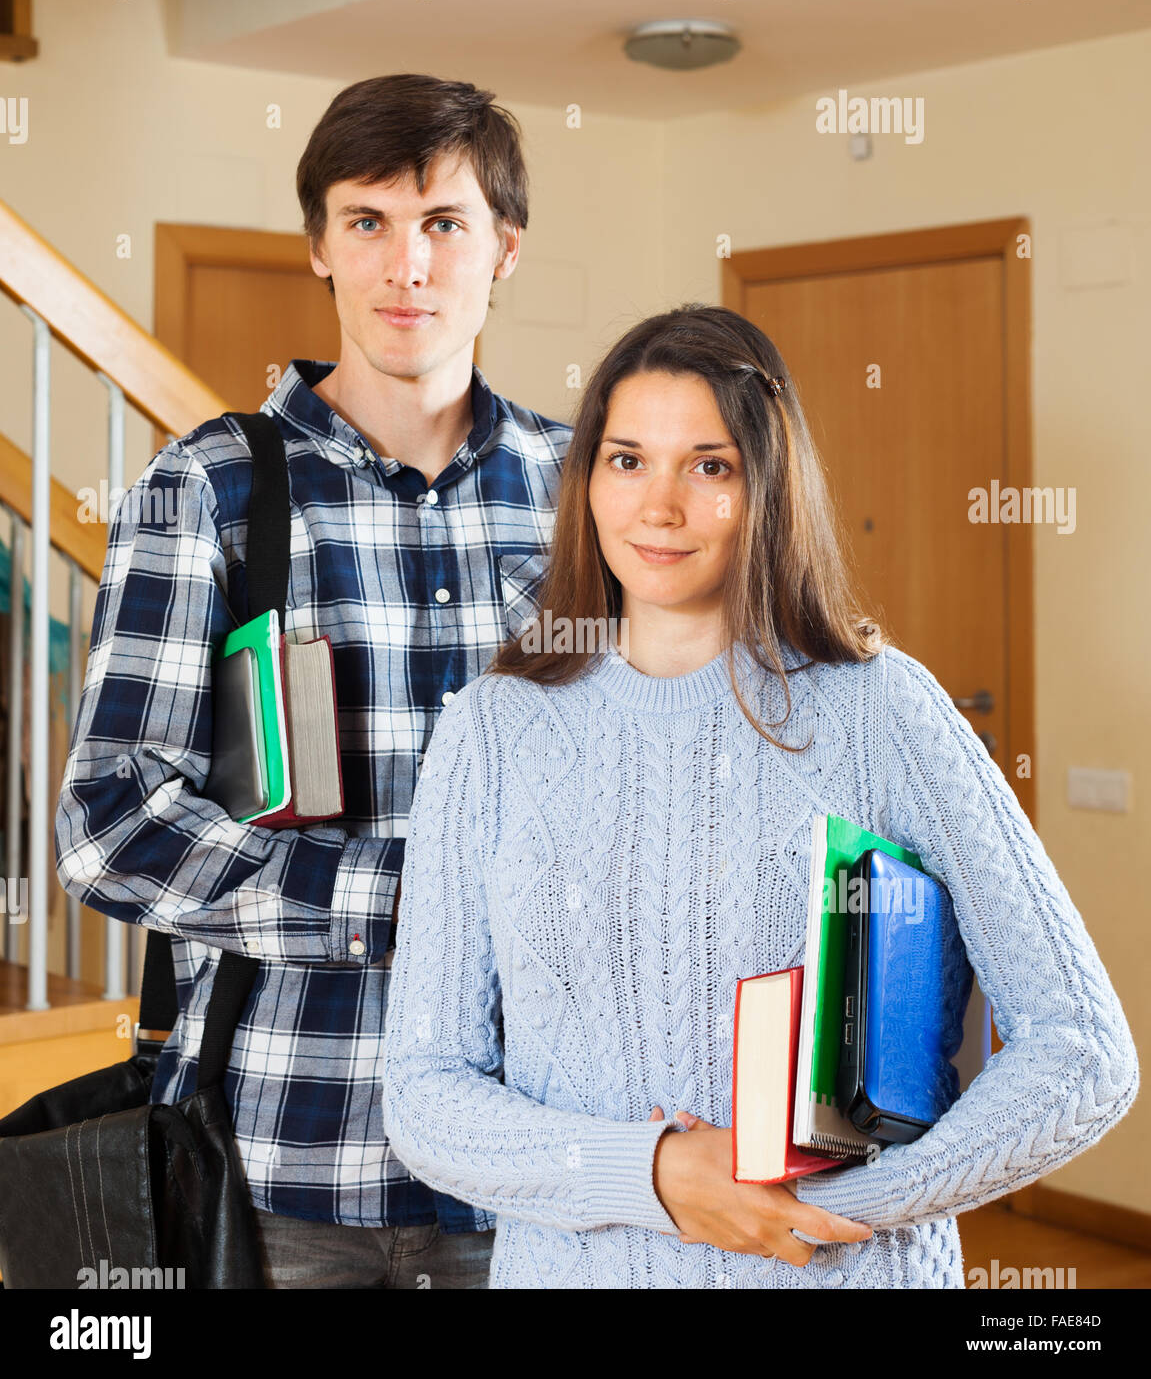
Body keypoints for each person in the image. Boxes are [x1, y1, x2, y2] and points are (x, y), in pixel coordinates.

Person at [380, 302, 1140, 1289]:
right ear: (584, 480)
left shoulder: (877, 708)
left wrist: (814, 1210)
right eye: (624, 460)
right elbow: (426, 1097)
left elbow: (1080, 1051)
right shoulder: (492, 729)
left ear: (766, 487)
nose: (658, 507)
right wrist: (654, 1174)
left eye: (709, 466)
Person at [55, 73, 571, 1288]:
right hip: (285, 1168)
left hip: (540, 1165)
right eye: (368, 222)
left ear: (505, 249)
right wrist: (399, 905)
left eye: (444, 224)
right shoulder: (209, 491)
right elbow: (109, 823)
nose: (408, 266)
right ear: (319, 251)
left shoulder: (584, 493)